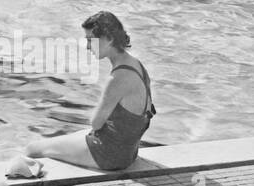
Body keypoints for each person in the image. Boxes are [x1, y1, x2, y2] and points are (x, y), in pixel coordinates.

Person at [21, 11, 155, 171]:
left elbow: (96, 124)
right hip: (128, 152)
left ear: (109, 39)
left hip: (107, 155)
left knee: (32, 149)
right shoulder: (137, 65)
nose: (88, 46)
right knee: (63, 140)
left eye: (91, 40)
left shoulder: (118, 77)